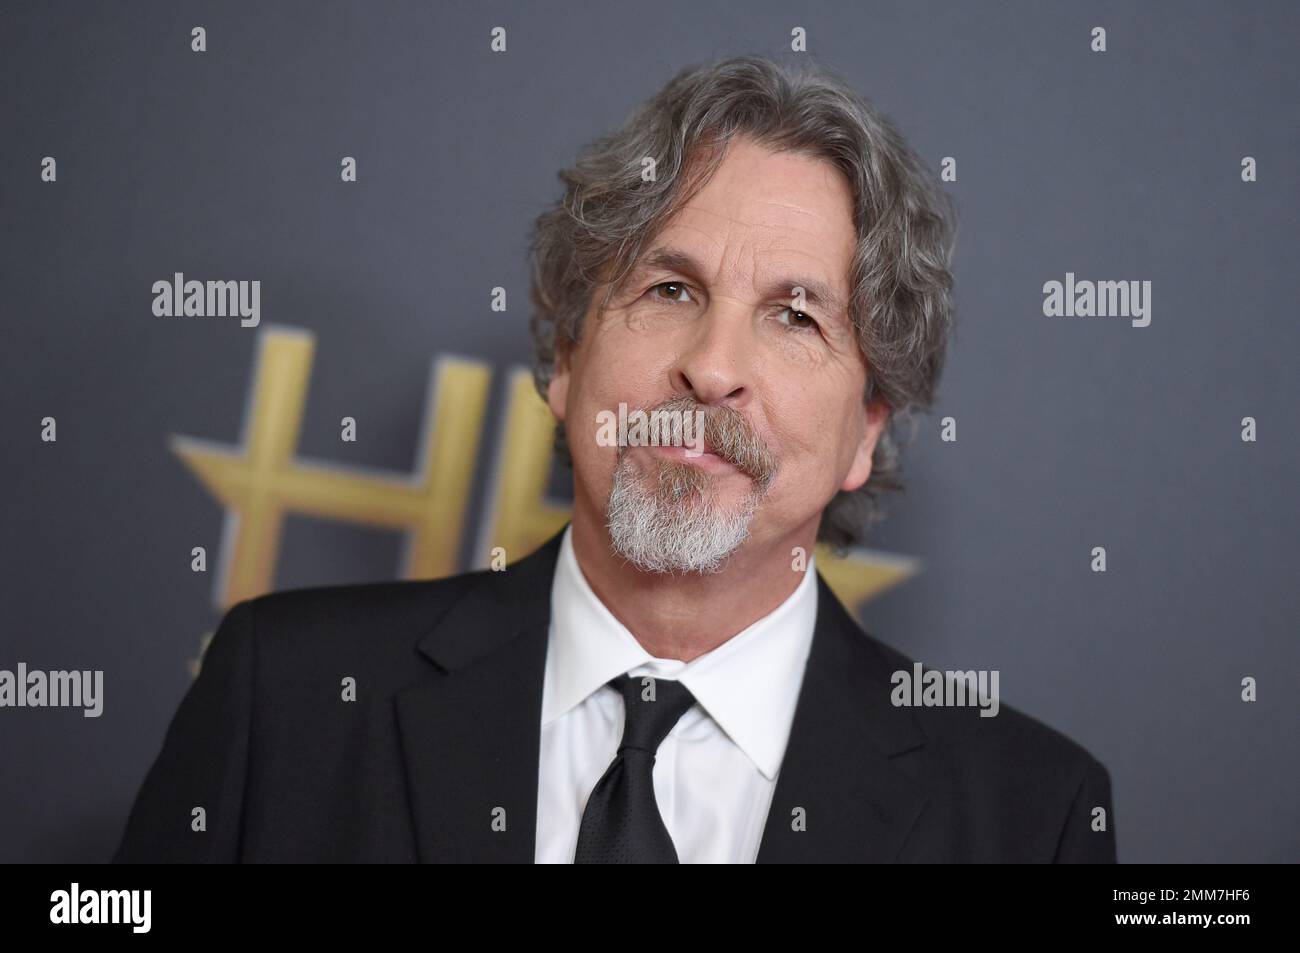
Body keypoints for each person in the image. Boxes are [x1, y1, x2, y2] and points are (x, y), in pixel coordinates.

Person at [113, 53, 1115, 863]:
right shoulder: (282, 699)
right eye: (668, 291)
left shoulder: (1031, 815)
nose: (711, 367)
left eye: (794, 314)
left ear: (864, 428)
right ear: (563, 361)